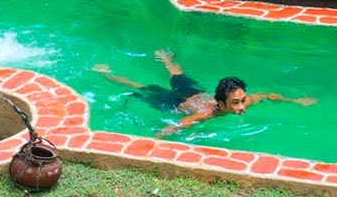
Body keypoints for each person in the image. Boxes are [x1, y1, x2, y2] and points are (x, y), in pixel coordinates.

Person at [94, 50, 316, 137]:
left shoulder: (245, 101)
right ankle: (105, 73)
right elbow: (180, 124)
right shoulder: (208, 113)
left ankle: (165, 58)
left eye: (242, 100)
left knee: (178, 75)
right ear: (221, 103)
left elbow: (268, 95)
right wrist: (159, 137)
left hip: (195, 93)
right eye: (235, 103)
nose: (241, 107)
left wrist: (296, 101)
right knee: (139, 87)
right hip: (175, 102)